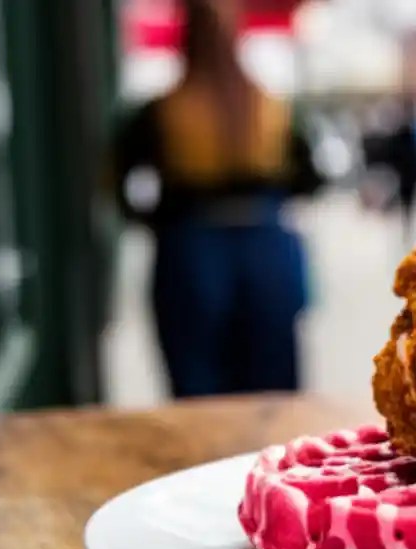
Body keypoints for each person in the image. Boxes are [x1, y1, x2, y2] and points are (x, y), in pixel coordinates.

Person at [113, 0, 322, 398]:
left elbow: (118, 182)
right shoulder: (272, 107)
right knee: (273, 384)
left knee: (198, 385)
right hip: (266, 243)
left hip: (191, 246)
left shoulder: (162, 110)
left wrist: (159, 220)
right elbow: (311, 178)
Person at [362, 95, 416, 246]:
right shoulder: (404, 139)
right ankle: (406, 229)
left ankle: (406, 230)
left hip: (406, 178)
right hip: (408, 179)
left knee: (407, 208)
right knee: (407, 208)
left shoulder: (401, 139)